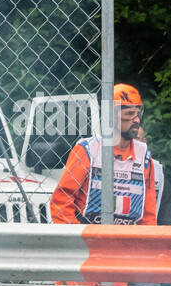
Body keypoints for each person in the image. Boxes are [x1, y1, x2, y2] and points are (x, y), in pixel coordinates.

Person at [50, 83, 157, 225]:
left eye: (138, 113)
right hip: (90, 237)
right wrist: (79, 239)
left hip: (127, 241)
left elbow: (148, 216)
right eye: (129, 114)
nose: (136, 120)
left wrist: (142, 244)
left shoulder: (144, 157)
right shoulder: (87, 150)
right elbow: (61, 203)